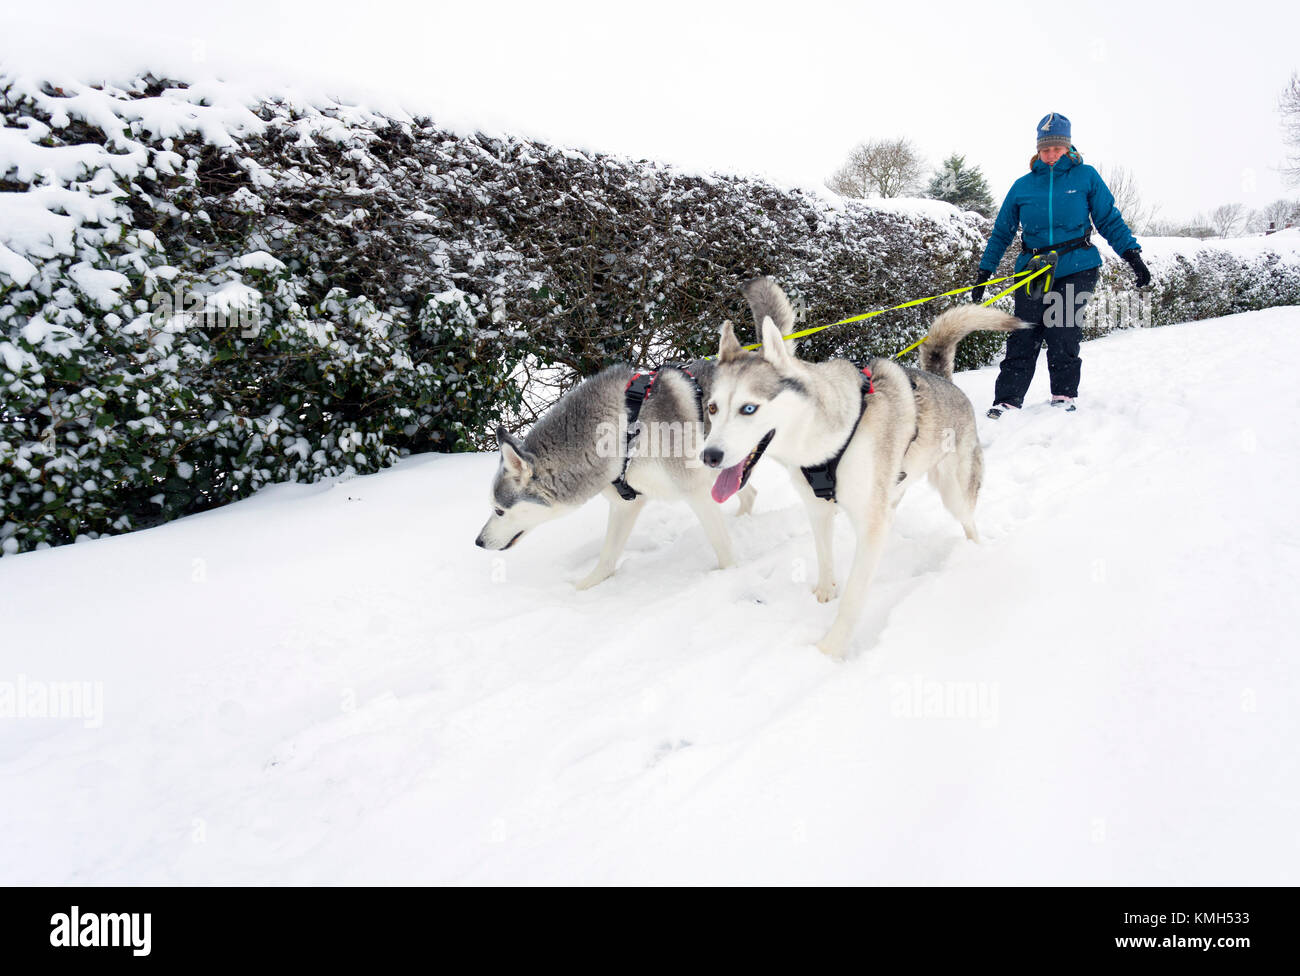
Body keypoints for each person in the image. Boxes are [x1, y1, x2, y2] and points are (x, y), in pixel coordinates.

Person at [972, 112, 1150, 417]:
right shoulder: (1023, 186)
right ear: (1037, 150)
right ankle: (1007, 401)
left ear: (1067, 147)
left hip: (1077, 263)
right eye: (1045, 149)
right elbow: (1002, 231)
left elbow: (1108, 219)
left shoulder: (1086, 177)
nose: (1051, 154)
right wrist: (984, 271)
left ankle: (1063, 396)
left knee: (1062, 329)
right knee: (1023, 333)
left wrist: (1132, 256)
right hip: (1034, 267)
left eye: (1056, 148)